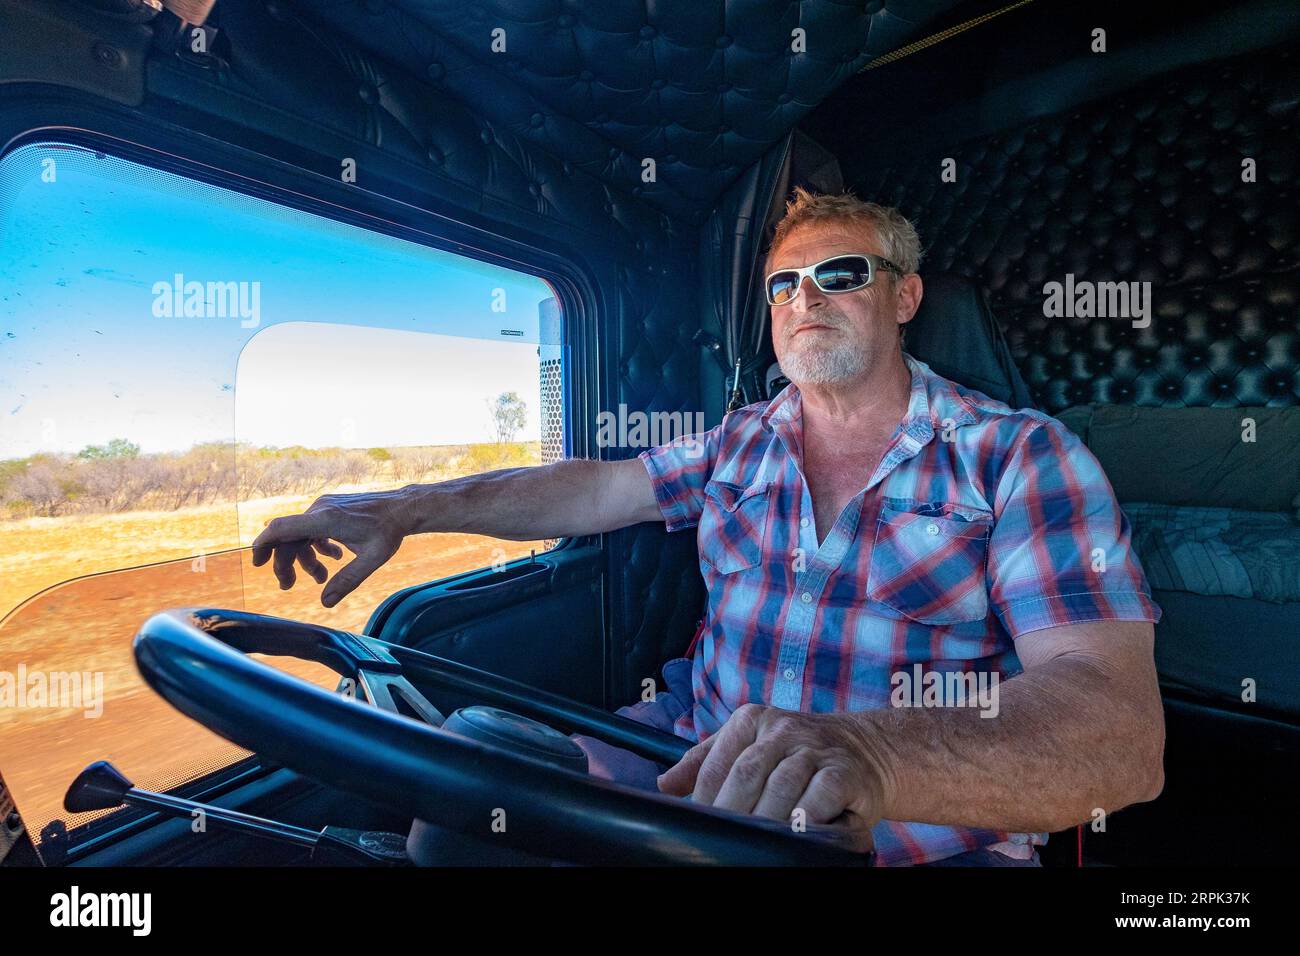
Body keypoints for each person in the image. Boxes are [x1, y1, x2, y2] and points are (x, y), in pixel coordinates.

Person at [251, 188, 1164, 866]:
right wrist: (409, 507)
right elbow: (592, 490)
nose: (806, 299)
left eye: (840, 275)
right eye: (782, 286)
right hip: (683, 763)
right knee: (467, 803)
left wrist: (866, 755)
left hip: (903, 833)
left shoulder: (1021, 458)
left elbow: (1115, 732)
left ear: (906, 296)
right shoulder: (739, 443)